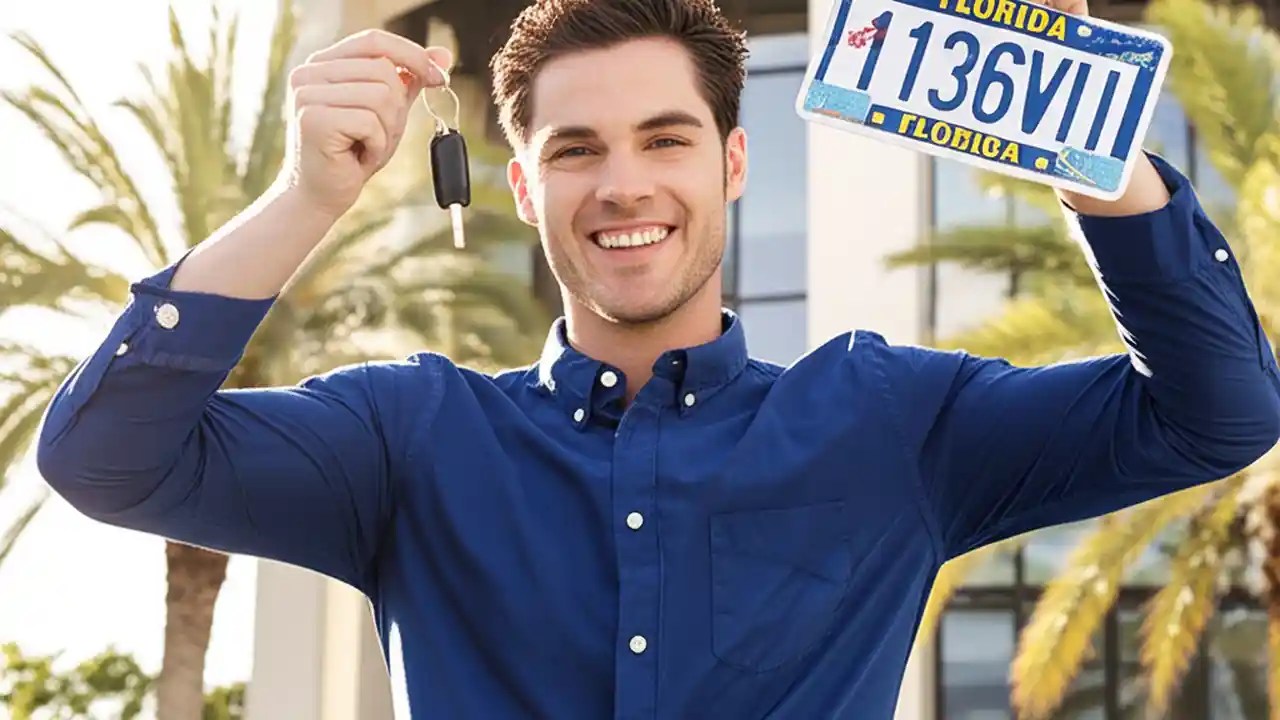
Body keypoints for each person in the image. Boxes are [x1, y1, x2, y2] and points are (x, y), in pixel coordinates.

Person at [34, 0, 1280, 717]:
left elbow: (1216, 417)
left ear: (731, 165)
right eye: (575, 151)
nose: (622, 185)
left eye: (665, 139)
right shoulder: (407, 441)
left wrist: (1098, 166)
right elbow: (103, 460)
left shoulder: (896, 422)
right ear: (521, 187)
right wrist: (306, 199)